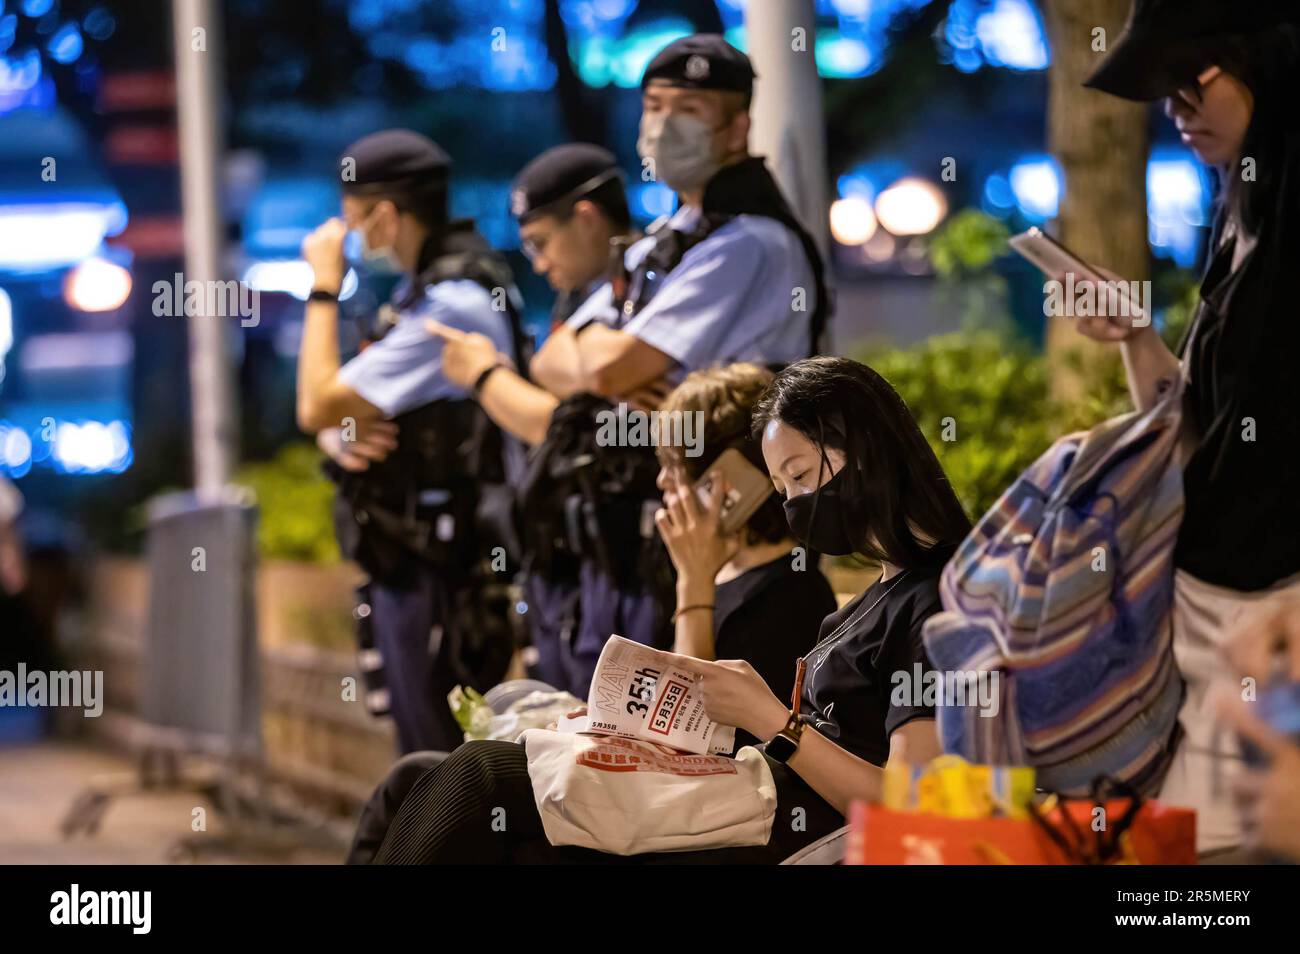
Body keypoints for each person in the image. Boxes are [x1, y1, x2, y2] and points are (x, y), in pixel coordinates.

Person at [369, 357, 972, 865]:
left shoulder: (934, 601)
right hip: (740, 803)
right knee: (456, 782)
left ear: (865, 449)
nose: (795, 506)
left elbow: (909, 806)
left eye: (801, 476)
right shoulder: (865, 606)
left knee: (481, 777)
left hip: (773, 829)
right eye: (783, 488)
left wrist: (774, 722)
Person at [427, 34, 830, 696]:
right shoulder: (661, 245)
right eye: (656, 105)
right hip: (644, 529)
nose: (665, 124)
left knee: (677, 725)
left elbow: (608, 370)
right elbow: (556, 358)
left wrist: (607, 364)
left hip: (724, 534)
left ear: (738, 127)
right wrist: (608, 364)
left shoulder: (751, 240)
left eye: (691, 109)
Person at [1078, 4, 1300, 853]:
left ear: (1261, 56)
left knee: (1220, 853)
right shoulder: (1242, 199)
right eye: (1163, 90)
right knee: (1191, 851)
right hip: (1216, 607)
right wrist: (1136, 337)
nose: (1175, 107)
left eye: (1190, 78)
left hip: (1276, 616)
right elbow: (1193, 427)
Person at [297, 129, 528, 754]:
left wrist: (323, 285)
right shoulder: (424, 290)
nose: (347, 235)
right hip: (416, 555)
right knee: (421, 750)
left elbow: (314, 401)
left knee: (437, 761)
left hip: (446, 568)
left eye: (352, 220)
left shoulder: (451, 303)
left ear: (386, 216)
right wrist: (339, 436)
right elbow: (339, 416)